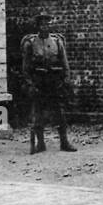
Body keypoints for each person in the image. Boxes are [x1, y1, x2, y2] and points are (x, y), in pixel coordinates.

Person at [20, 11, 76, 154]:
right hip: (39, 81)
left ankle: (64, 142)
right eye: (42, 25)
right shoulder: (30, 43)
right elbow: (26, 67)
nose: (45, 27)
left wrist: (66, 80)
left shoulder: (57, 41)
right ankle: (40, 143)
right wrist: (30, 84)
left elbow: (65, 63)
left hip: (54, 81)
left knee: (59, 113)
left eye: (47, 24)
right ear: (37, 26)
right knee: (38, 113)